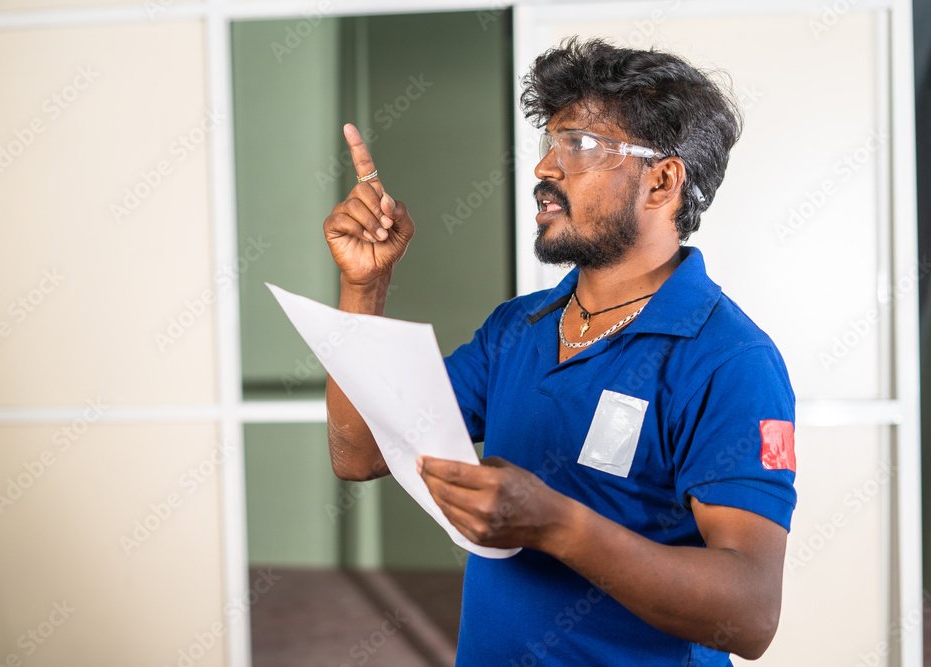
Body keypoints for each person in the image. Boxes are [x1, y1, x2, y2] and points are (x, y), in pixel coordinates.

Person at [322, 37, 796, 666]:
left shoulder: (729, 360)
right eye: (551, 143)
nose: (546, 168)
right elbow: (360, 452)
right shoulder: (518, 326)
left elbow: (751, 616)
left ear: (662, 180)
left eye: (580, 146)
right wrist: (365, 284)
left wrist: (557, 526)